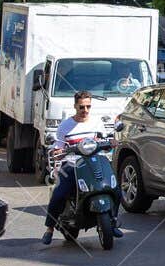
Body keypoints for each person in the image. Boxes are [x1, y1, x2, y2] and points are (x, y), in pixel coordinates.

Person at [42, 90, 121, 245]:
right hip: (73, 164)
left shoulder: (97, 122)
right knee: (59, 194)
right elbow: (57, 147)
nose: (85, 110)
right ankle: (49, 228)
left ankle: (113, 221)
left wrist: (111, 143)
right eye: (82, 107)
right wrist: (58, 151)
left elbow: (103, 141)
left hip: (95, 161)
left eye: (88, 107)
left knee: (116, 190)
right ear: (75, 106)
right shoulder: (65, 126)